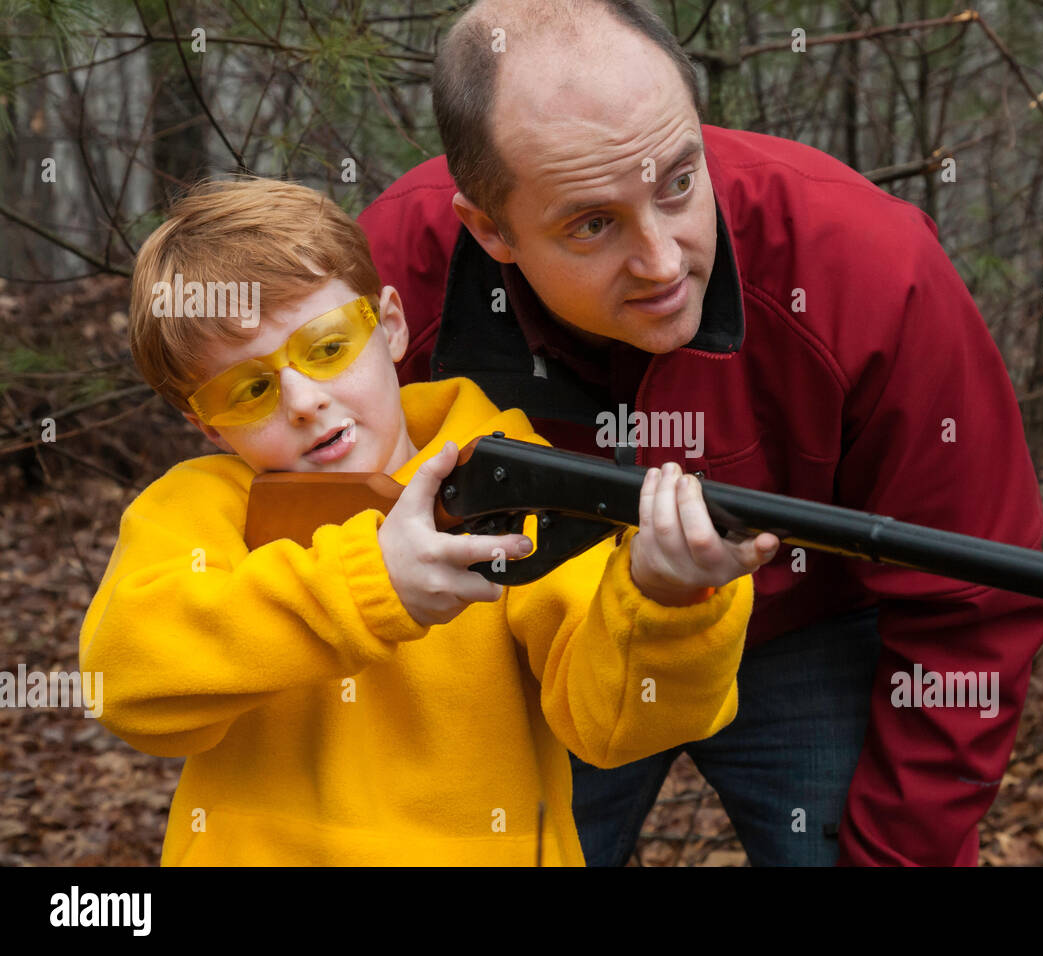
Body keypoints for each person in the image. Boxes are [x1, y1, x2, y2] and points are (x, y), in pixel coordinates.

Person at [358, 0, 1043, 866]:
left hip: (799, 625)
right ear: (490, 228)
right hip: (531, 643)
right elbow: (312, 539)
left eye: (679, 183)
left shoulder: (863, 263)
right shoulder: (391, 283)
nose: (662, 260)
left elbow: (974, 594)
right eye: (592, 223)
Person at [78, 177, 777, 866]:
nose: (303, 401)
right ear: (207, 427)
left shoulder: (506, 476)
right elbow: (126, 683)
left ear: (389, 325)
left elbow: (616, 722)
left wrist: (667, 601)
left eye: (325, 348)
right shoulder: (200, 506)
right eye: (250, 389)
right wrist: (368, 584)